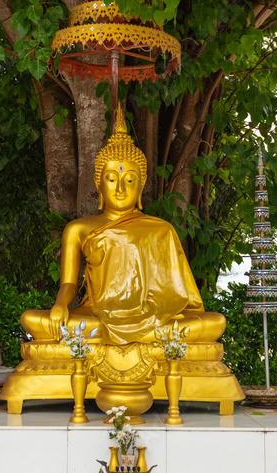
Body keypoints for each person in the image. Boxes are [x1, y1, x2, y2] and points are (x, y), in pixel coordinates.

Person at [21, 107, 226, 346]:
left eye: (129, 180)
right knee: (33, 320)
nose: (120, 188)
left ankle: (124, 338)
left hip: (152, 316)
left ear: (140, 187)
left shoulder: (161, 230)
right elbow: (69, 284)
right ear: (99, 185)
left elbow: (180, 294)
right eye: (111, 179)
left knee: (215, 323)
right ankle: (156, 342)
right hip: (99, 314)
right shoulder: (78, 229)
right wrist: (60, 305)